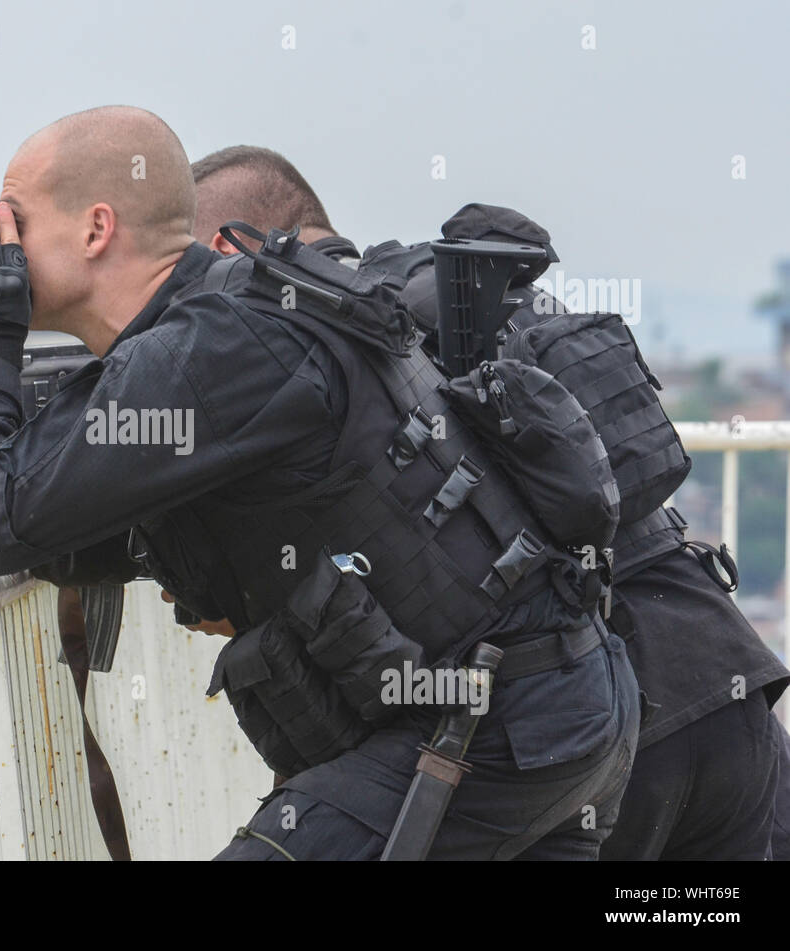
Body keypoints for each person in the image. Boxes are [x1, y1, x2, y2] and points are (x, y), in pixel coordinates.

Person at [0, 105, 638, 860]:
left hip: (497, 727)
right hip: (549, 708)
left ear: (96, 229)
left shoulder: (211, 345)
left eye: (12, 217)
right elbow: (105, 524)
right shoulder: (221, 318)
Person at [189, 144, 789, 860]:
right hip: (723, 679)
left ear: (230, 246)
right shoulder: (451, 282)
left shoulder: (315, 355)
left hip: (593, 735)